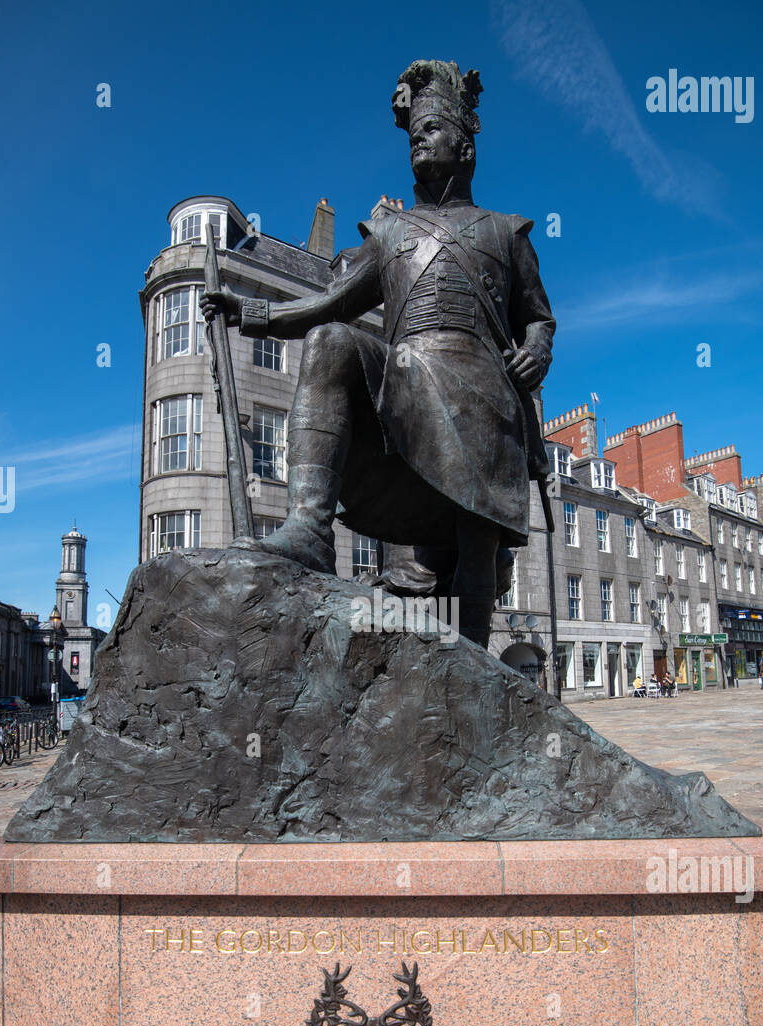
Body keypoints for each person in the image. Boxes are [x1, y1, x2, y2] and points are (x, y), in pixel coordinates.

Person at [200, 59, 556, 648]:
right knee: (332, 341)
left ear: (466, 146)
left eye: (433, 129)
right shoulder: (388, 232)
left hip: (483, 393)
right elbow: (328, 304)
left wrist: (539, 346)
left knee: (474, 547)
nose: (419, 139)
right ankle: (310, 529)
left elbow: (538, 316)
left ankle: (475, 660)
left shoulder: (506, 232)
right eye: (414, 132)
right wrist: (252, 312)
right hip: (408, 380)